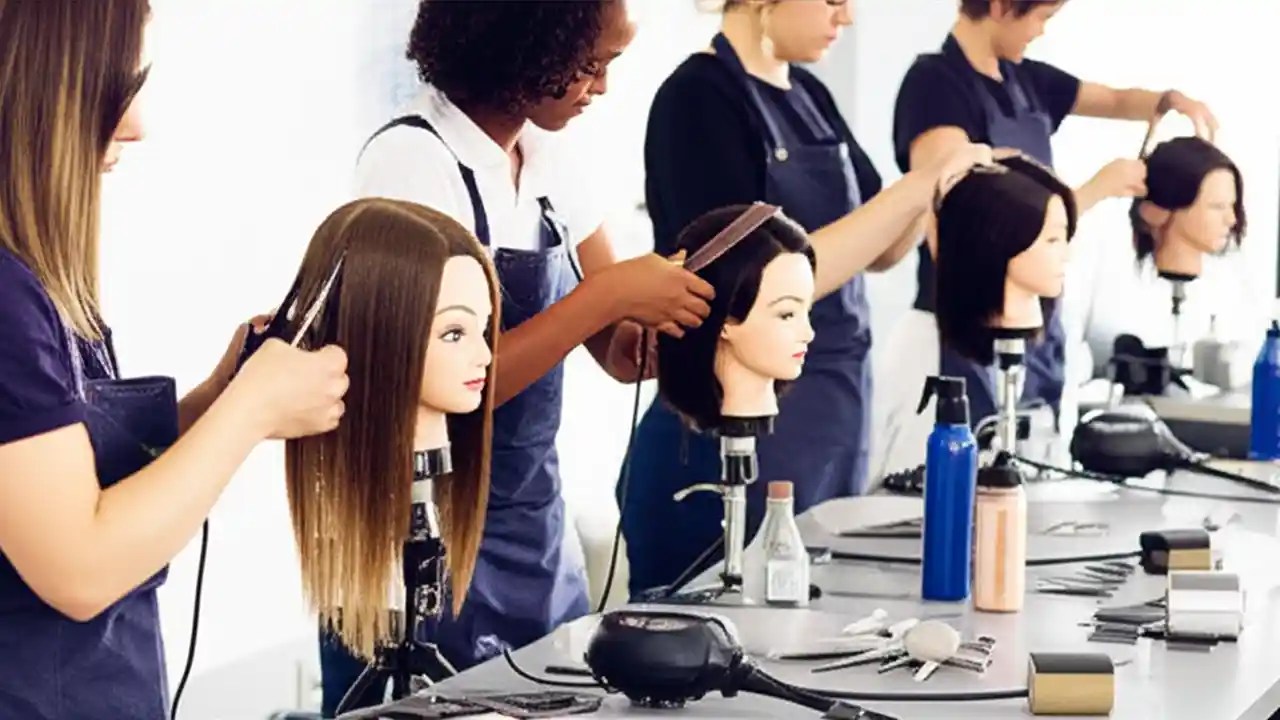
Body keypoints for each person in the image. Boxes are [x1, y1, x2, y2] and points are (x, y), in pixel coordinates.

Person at [327, 0, 717, 714]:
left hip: (531, 520)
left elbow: (619, 354)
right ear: (519, 45)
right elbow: (434, 384)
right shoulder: (414, 159)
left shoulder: (549, 159)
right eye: (587, 65)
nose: (598, 87)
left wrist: (668, 322)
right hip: (426, 524)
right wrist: (607, 298)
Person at [0, 3, 349, 718]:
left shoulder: (44, 285)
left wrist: (222, 396)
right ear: (48, 91)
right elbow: (79, 566)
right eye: (119, 89)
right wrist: (251, 410)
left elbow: (82, 479)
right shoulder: (5, 299)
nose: (136, 124)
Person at [619, 0, 993, 599]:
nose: (844, 19)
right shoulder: (698, 98)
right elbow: (745, 284)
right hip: (730, 425)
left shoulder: (810, 96)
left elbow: (881, 251)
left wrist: (936, 188)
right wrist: (918, 185)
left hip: (830, 410)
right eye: (833, 0)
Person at [889, 0, 1218, 436]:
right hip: (966, 325)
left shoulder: (1027, 80)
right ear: (1002, 7)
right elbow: (959, 214)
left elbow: (1117, 100)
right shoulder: (936, 85)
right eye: (1040, 18)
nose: (1042, 32)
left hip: (1033, 319)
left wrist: (1171, 101)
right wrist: (1096, 190)